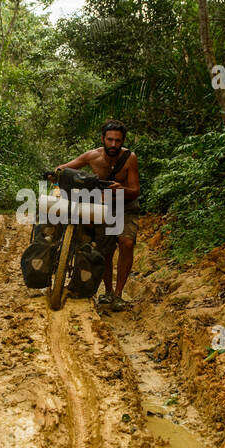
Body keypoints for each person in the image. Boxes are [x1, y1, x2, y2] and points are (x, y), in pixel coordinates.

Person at [54, 121, 141, 311]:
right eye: (109, 139)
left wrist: (122, 189)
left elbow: (135, 190)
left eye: (117, 141)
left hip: (126, 205)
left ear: (123, 141)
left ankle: (118, 295)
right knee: (105, 249)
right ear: (103, 139)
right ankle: (108, 292)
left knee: (126, 243)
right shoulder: (92, 156)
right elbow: (66, 167)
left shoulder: (129, 158)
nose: (113, 144)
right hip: (104, 207)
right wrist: (55, 174)